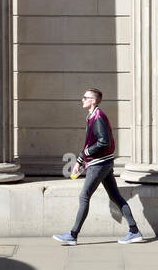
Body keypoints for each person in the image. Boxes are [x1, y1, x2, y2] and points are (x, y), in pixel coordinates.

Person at [53, 88, 143, 246]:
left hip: (99, 163)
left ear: (93, 101)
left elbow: (103, 141)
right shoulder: (93, 116)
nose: (82, 99)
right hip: (104, 163)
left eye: (85, 97)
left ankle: (73, 235)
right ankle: (134, 231)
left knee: (84, 197)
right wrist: (81, 161)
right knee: (115, 196)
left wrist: (82, 157)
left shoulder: (98, 117)